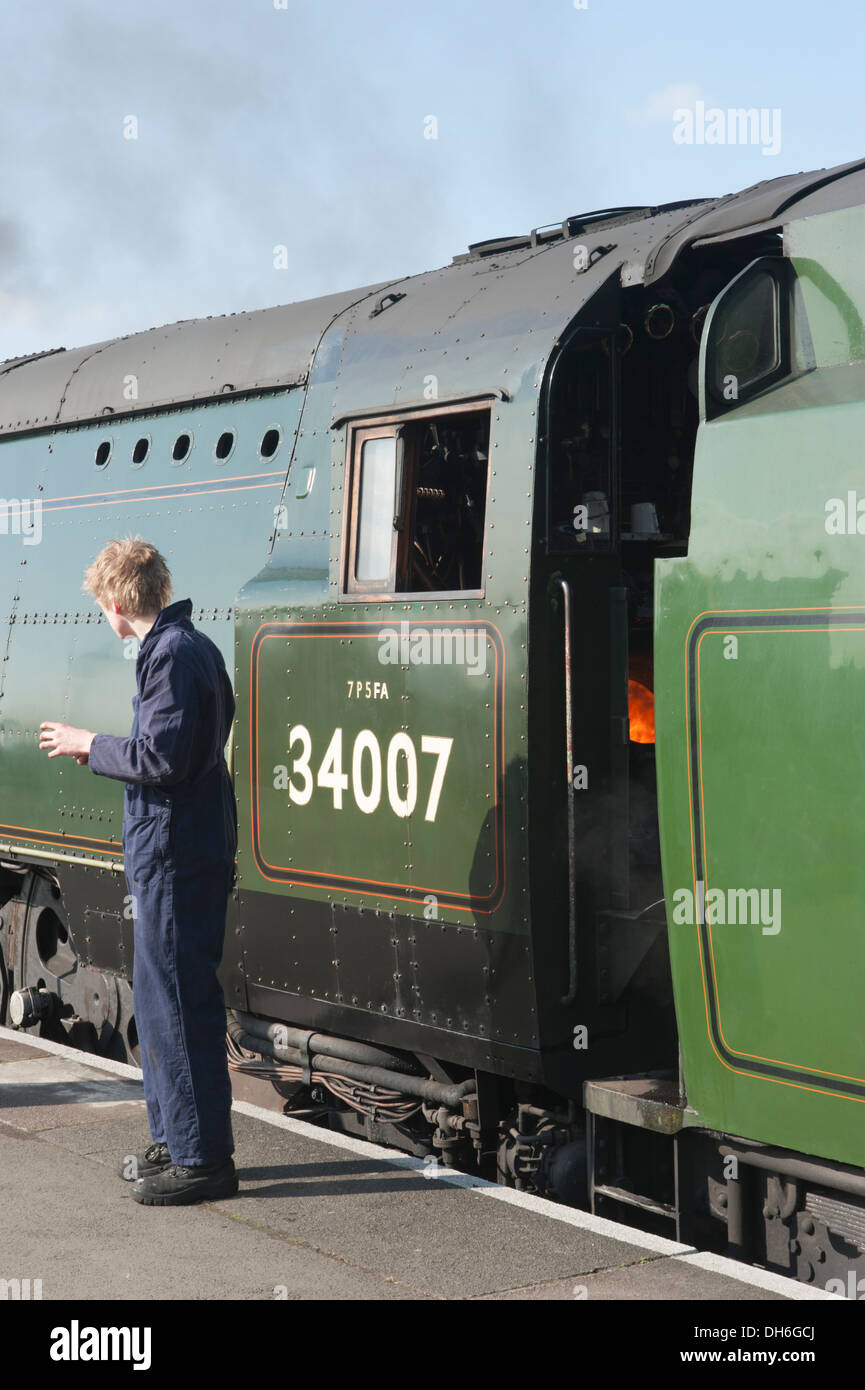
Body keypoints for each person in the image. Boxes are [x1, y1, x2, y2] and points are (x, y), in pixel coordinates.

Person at [39, 537, 239, 1206]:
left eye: (103, 604)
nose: (103, 614)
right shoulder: (191, 649)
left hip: (177, 856)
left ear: (119, 602)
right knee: (163, 1003)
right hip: (181, 848)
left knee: (176, 1004)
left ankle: (201, 1159)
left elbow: (161, 758)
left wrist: (86, 744)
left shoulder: (175, 656)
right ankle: (176, 1141)